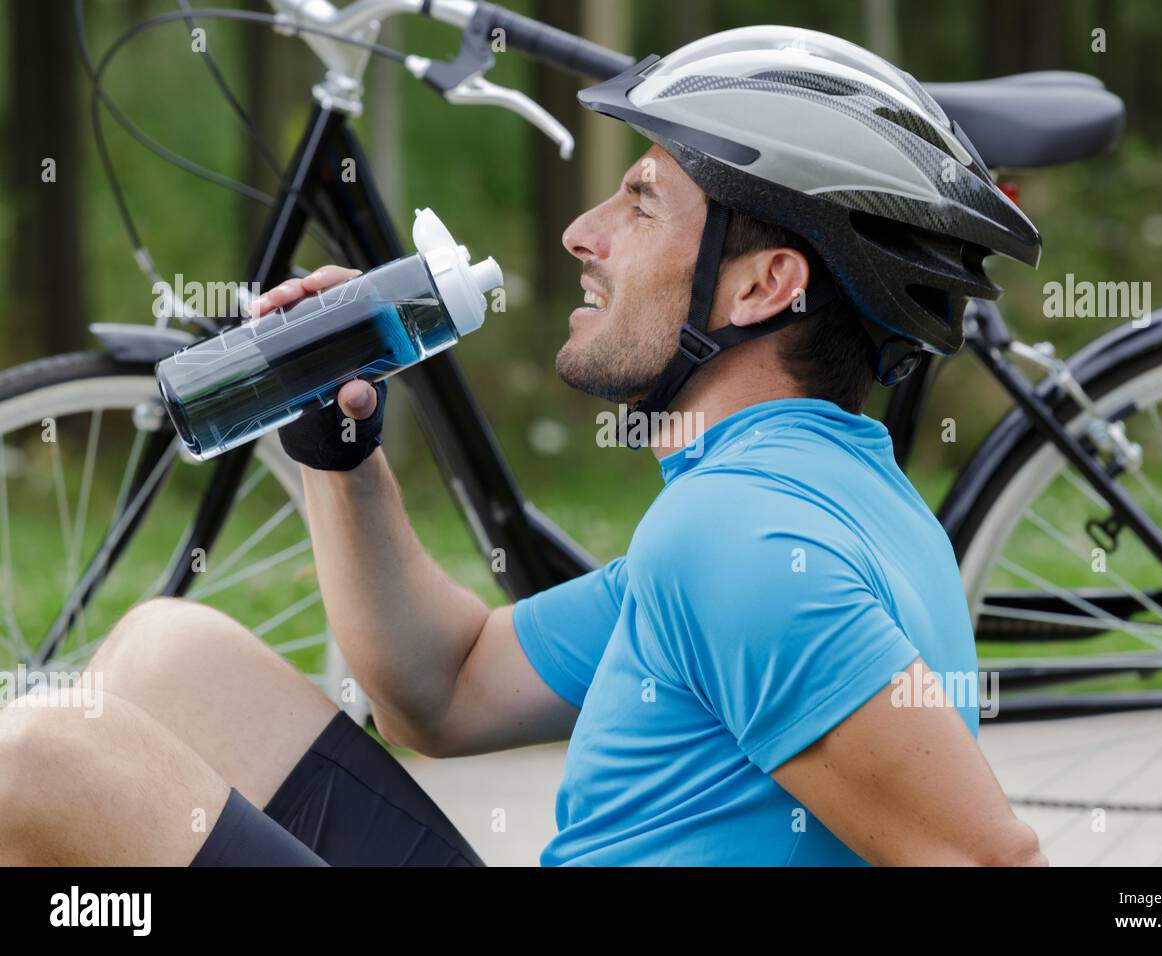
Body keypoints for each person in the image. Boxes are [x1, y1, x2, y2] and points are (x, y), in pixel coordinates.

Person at [0, 26, 1045, 866]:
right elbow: (442, 687)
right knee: (168, 652)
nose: (580, 231)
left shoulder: (737, 537)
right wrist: (342, 459)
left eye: (640, 202)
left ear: (762, 285)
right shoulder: (799, 496)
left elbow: (988, 859)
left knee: (38, 764)